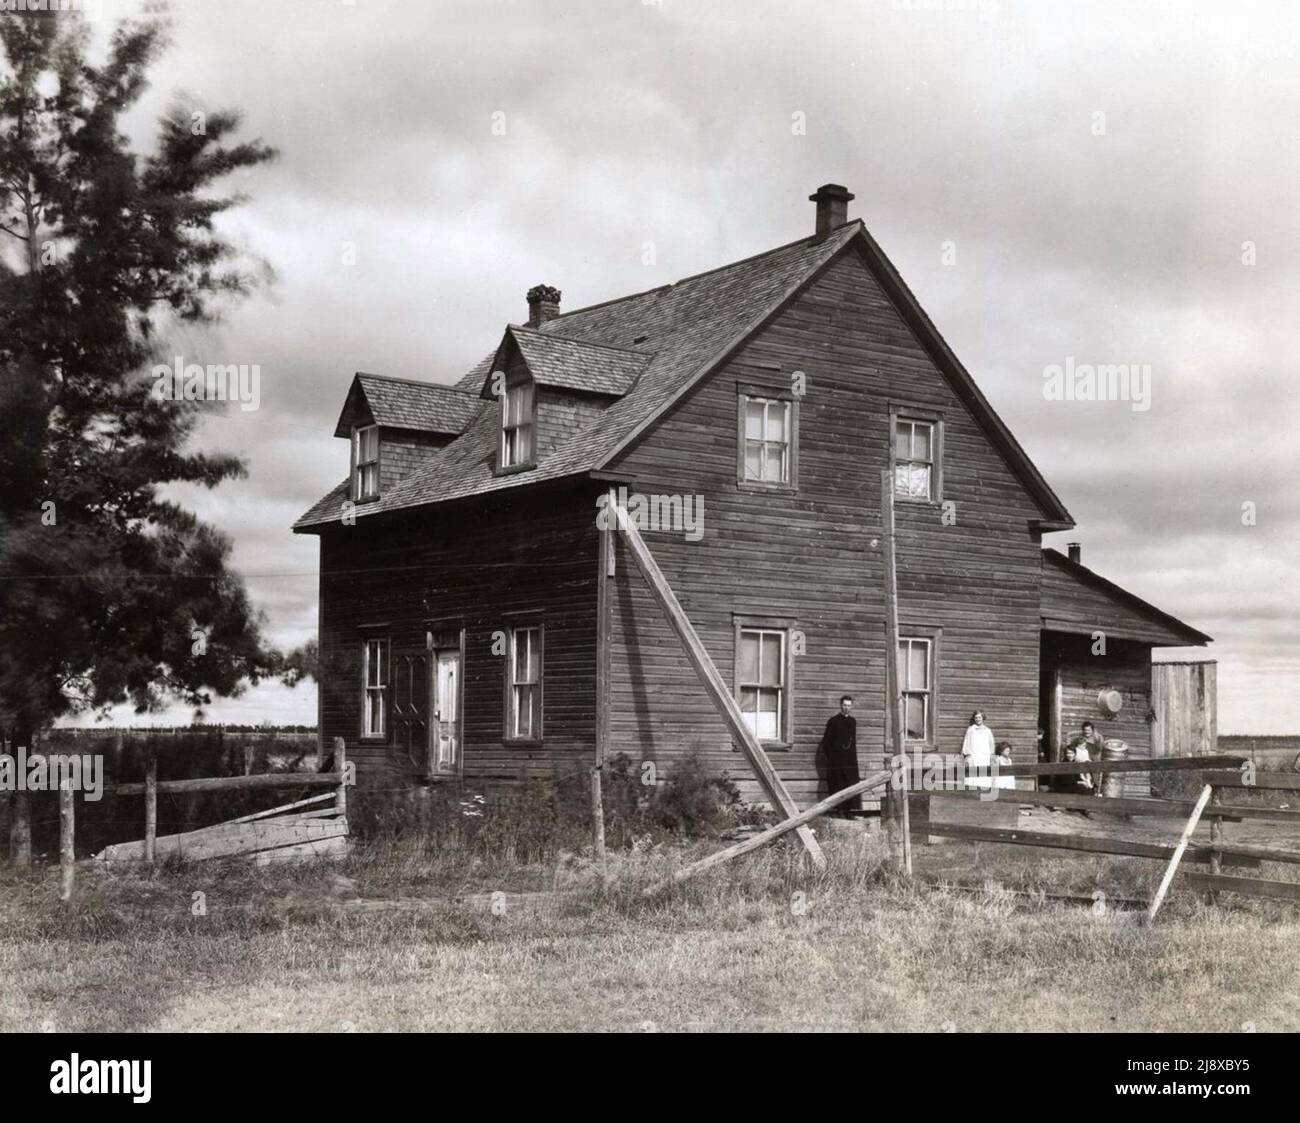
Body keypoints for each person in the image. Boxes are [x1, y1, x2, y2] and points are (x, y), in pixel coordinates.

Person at [820, 695, 861, 816]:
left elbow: (852, 742)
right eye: (844, 705)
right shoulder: (833, 721)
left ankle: (849, 811)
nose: (846, 708)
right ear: (840, 705)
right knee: (837, 784)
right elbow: (826, 743)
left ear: (851, 707)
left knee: (850, 784)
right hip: (836, 761)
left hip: (850, 761)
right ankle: (839, 811)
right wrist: (833, 758)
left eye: (849, 706)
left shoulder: (853, 722)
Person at [961, 710, 996, 789]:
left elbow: (991, 744)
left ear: (983, 718)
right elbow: (966, 742)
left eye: (979, 717)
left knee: (983, 774)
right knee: (973, 775)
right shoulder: (970, 729)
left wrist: (991, 755)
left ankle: (984, 789)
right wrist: (968, 755)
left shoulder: (987, 730)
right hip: (974, 756)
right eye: (976, 717)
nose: (978, 719)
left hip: (984, 757)